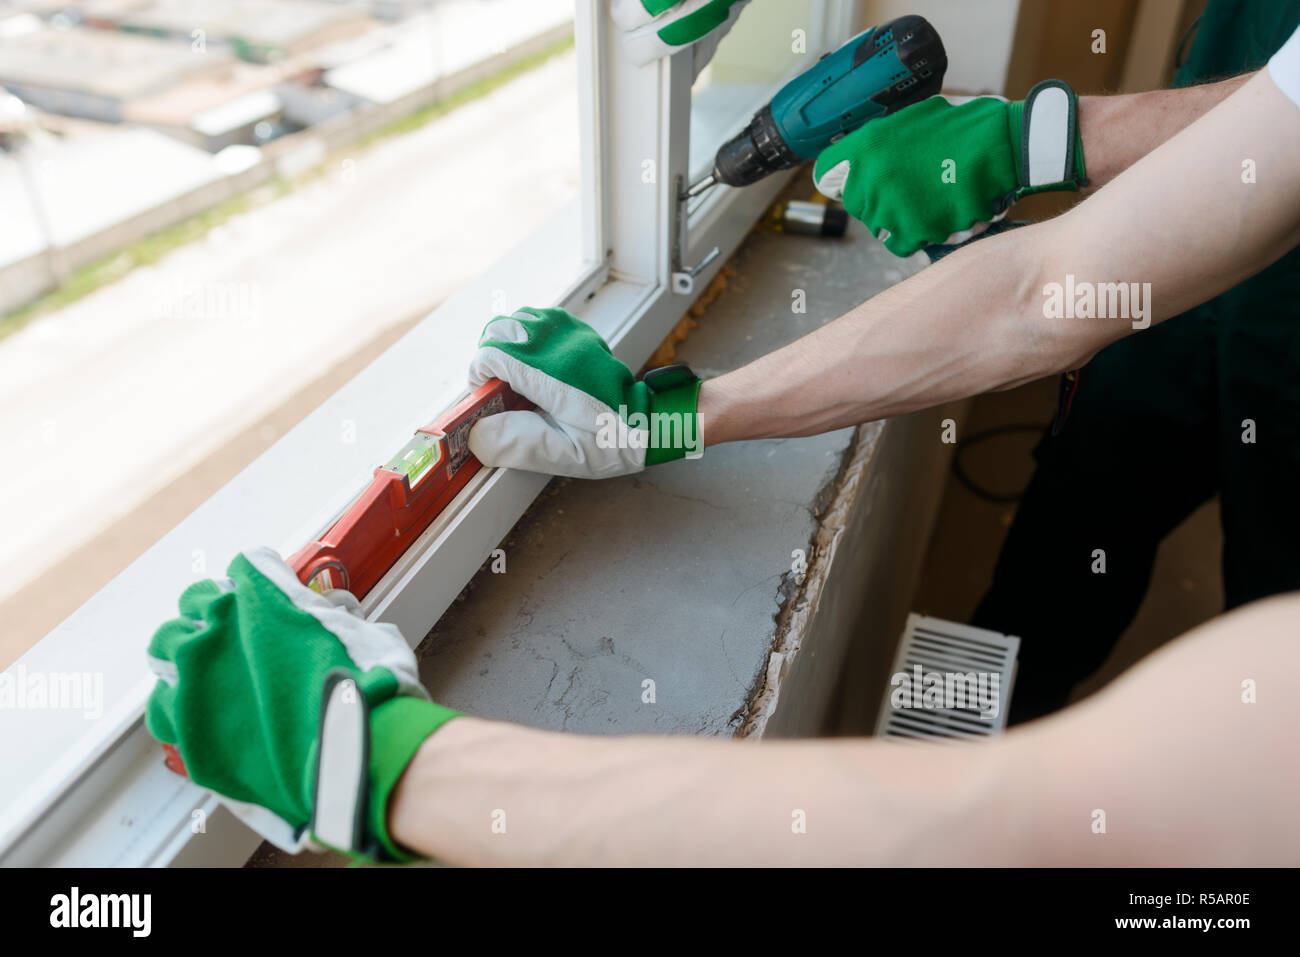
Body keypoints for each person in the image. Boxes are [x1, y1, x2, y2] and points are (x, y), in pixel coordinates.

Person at [144, 27, 1300, 865]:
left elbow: (994, 828)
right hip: (1204, 316)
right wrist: (686, 413)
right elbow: (1040, 290)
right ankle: (998, 697)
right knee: (1055, 562)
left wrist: (384, 766)